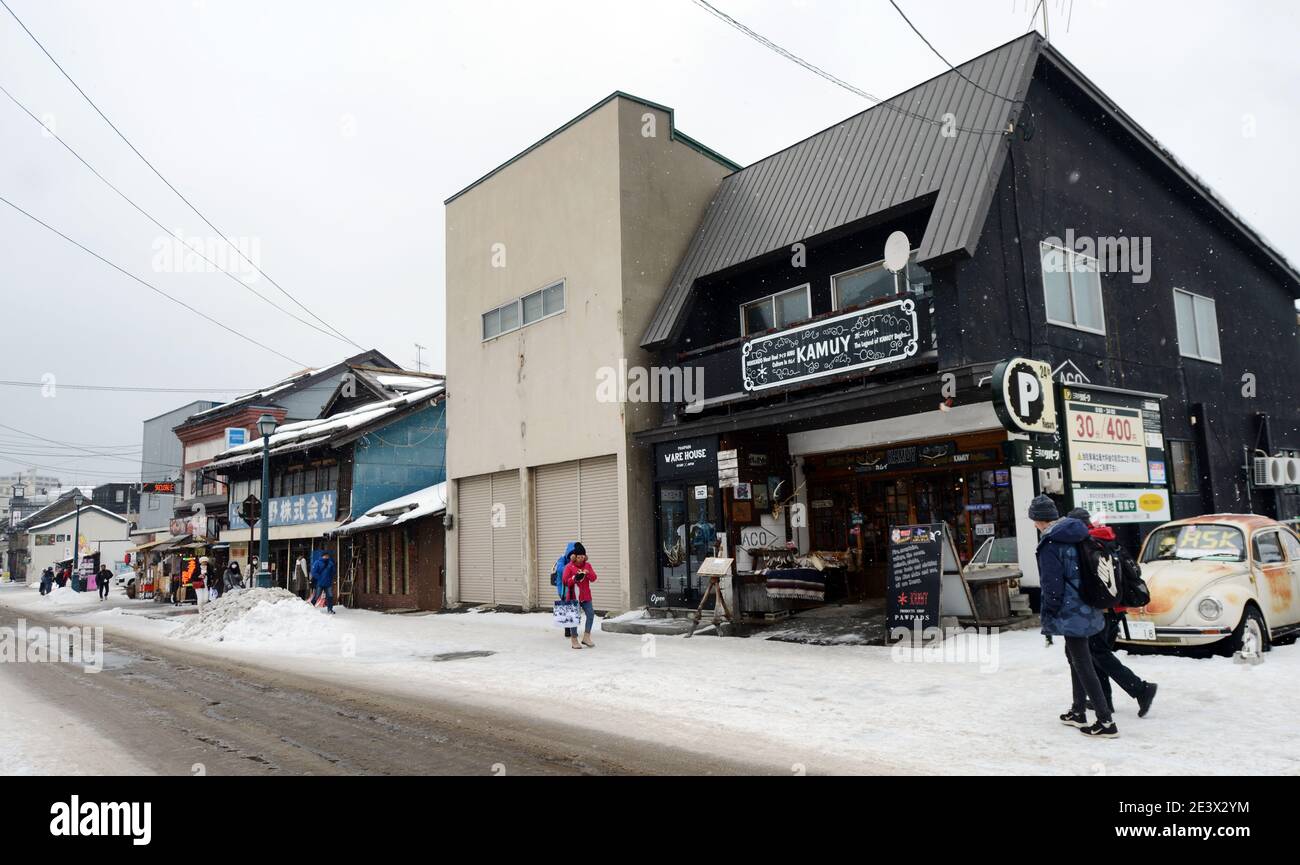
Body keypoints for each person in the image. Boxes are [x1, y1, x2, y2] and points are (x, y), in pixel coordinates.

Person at [1029, 495, 1117, 739]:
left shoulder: (1050, 543)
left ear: (1037, 520)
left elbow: (1051, 584)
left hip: (1070, 609)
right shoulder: (1079, 534)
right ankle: (1078, 711)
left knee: (1082, 662)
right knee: (1076, 658)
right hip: (1089, 603)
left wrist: (1049, 611)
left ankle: (1105, 721)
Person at [1067, 508, 1159, 719]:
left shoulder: (1088, 543)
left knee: (1096, 652)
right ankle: (1105, 700)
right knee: (1097, 653)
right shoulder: (1108, 538)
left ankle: (1140, 689)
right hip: (1117, 607)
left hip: (1104, 608)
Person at [561, 542, 599, 649]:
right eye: (579, 557)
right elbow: (565, 581)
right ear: (574, 557)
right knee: (574, 618)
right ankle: (574, 639)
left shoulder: (587, 565)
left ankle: (586, 637)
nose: (581, 559)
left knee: (590, 614)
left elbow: (594, 578)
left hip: (586, 596)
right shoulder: (569, 567)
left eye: (583, 556)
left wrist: (587, 573)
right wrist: (574, 578)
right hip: (573, 596)